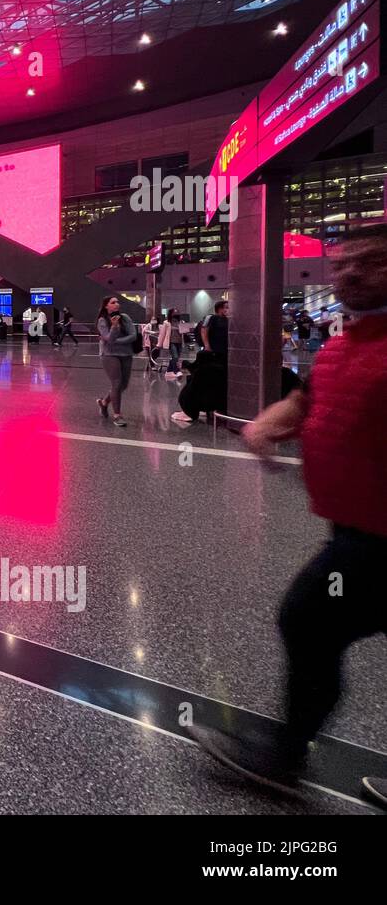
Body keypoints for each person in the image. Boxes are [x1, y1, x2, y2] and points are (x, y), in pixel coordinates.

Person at [188, 223, 387, 808]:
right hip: (356, 527)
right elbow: (309, 401)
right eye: (344, 259)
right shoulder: (347, 344)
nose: (350, 269)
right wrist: (270, 424)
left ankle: (284, 755)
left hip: (377, 539)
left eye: (371, 259)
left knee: (308, 619)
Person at [95, 295, 136, 428]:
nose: (117, 304)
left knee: (123, 385)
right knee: (116, 383)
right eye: (113, 302)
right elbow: (108, 338)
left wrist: (116, 341)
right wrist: (114, 326)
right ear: (106, 306)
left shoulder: (125, 318)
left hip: (126, 353)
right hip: (109, 354)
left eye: (117, 302)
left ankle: (104, 402)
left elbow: (133, 336)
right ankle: (117, 415)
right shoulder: (102, 320)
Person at [157, 308, 184, 377]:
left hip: (179, 342)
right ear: (171, 314)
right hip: (171, 342)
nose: (176, 314)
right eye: (175, 313)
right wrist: (159, 344)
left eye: (178, 313)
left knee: (176, 357)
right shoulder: (166, 323)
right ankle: (176, 371)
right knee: (175, 357)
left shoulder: (181, 322)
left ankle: (169, 371)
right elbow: (162, 334)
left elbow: (184, 333)